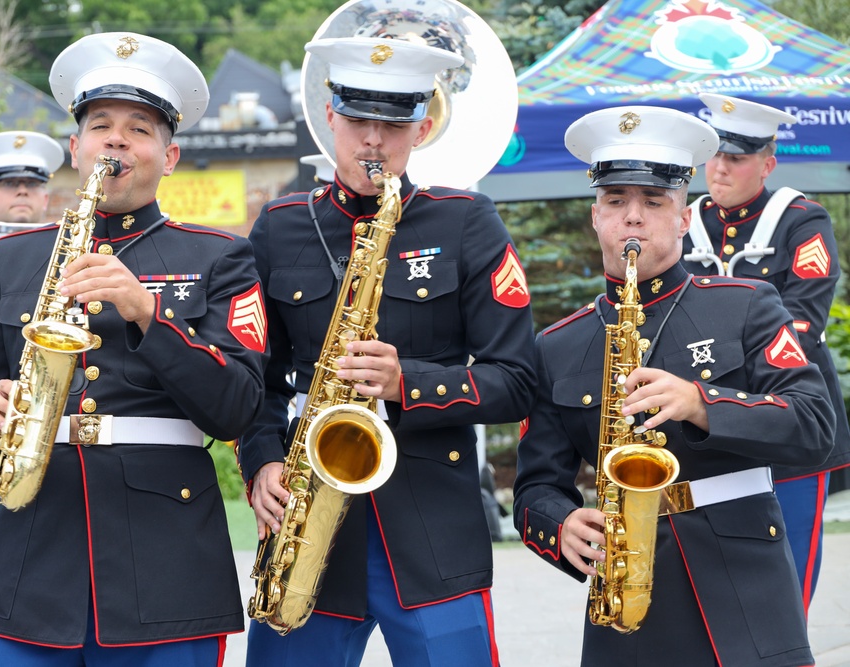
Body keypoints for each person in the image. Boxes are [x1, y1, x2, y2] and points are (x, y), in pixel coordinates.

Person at [0, 32, 267, 666]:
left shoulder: (220, 256)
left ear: (169, 156)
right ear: (75, 148)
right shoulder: (11, 258)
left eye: (139, 129)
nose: (116, 140)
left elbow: (238, 408)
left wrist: (148, 312)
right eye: (100, 126)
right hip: (21, 558)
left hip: (166, 562)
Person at [239, 36, 537, 667]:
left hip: (433, 533)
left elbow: (518, 379)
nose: (372, 141)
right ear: (329, 118)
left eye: (393, 124)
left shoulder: (467, 222)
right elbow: (255, 381)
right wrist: (261, 463)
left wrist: (412, 382)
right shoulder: (279, 226)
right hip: (307, 526)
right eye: (357, 120)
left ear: (422, 129)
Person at [512, 105, 835, 666]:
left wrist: (702, 403)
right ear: (596, 217)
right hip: (625, 602)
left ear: (684, 219)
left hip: (745, 587)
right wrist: (558, 524)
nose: (632, 218)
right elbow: (535, 488)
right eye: (616, 202)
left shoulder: (747, 305)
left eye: (654, 202)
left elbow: (814, 426)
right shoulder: (557, 346)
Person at [683, 93, 850, 611]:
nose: (720, 167)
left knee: (788, 574)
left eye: (736, 156)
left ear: (767, 164)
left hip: (790, 419)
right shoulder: (682, 221)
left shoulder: (801, 219)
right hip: (707, 423)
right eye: (715, 154)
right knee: (712, 572)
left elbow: (802, 322)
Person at [0, 130, 67, 535]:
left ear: (45, 197)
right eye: (7, 184)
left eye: (32, 184)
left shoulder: (72, 259)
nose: (21, 192)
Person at [0, 130, 64, 225]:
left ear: (45, 199)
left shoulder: (71, 243)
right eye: (9, 183)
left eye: (32, 184)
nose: (22, 191)